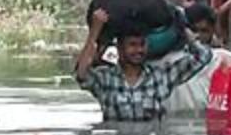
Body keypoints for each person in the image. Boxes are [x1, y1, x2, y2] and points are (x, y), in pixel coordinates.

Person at [74, 8, 212, 123]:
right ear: (119, 48)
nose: (139, 50)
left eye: (142, 45)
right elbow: (81, 73)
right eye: (132, 45)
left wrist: (182, 28)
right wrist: (95, 31)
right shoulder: (106, 79)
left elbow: (203, 57)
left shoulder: (161, 77)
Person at [164, 1, 231, 116]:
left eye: (204, 31)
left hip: (212, 127)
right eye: (194, 30)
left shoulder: (224, 59)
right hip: (177, 127)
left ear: (212, 31)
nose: (198, 36)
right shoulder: (172, 61)